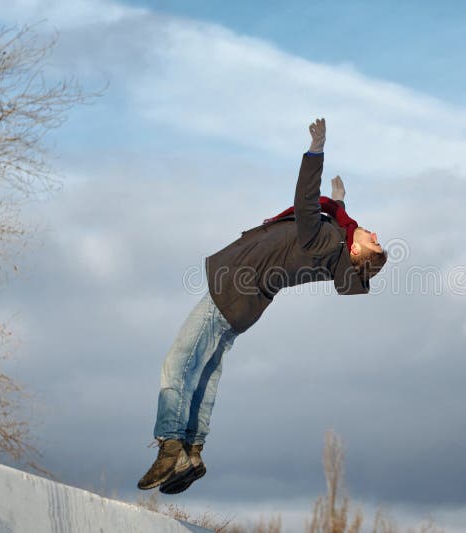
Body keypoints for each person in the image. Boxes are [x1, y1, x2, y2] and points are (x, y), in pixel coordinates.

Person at [137, 118, 388, 494]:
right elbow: (336, 222)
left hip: (233, 292)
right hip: (247, 304)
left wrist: (315, 152)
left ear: (355, 251)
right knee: (205, 374)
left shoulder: (326, 243)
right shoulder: (336, 248)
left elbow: (305, 202)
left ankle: (170, 447)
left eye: (374, 244)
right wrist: (339, 204)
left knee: (178, 363)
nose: (376, 235)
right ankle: (193, 450)